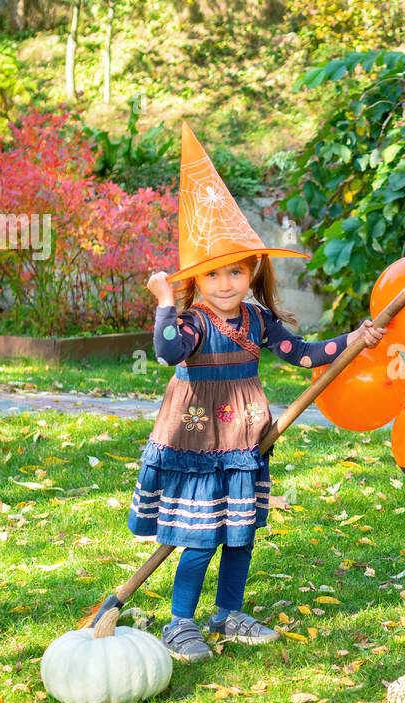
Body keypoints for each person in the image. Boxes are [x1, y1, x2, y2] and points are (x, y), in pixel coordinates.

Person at [129, 124, 383, 661]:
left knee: (240, 531)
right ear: (197, 281)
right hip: (197, 438)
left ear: (252, 273)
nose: (226, 283)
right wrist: (164, 301)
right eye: (215, 274)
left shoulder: (257, 318)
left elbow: (304, 355)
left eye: (237, 272)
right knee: (198, 536)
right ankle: (180, 623)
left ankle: (229, 613)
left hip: (245, 435)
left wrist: (355, 339)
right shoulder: (192, 321)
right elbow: (169, 354)